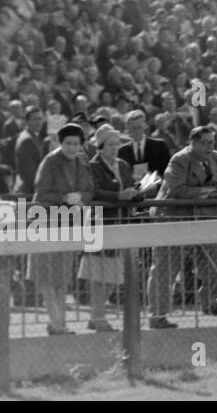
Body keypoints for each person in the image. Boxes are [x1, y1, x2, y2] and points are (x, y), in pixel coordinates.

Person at [149, 124, 217, 328]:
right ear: (193, 143)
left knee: (213, 268)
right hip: (173, 221)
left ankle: (212, 304)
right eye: (204, 143)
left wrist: (208, 192)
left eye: (212, 142)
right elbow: (177, 190)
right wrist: (207, 192)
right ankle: (157, 315)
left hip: (205, 221)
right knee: (165, 270)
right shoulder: (179, 160)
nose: (209, 147)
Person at [30, 123, 95, 334]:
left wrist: (81, 197)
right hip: (45, 223)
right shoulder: (50, 162)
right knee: (45, 275)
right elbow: (40, 194)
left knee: (63, 276)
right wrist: (65, 198)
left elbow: (90, 190)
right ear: (60, 143)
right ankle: (57, 321)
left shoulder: (83, 161)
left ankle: (58, 322)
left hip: (69, 224)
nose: (72, 147)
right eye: (68, 143)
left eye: (76, 143)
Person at [83, 123, 142, 331]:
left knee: (114, 275)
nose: (115, 148)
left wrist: (137, 192)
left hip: (120, 224)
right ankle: (97, 317)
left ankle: (97, 316)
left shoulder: (123, 165)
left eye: (117, 144)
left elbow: (130, 185)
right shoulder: (92, 166)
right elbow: (93, 191)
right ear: (100, 146)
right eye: (110, 144)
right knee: (99, 275)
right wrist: (118, 196)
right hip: (100, 224)